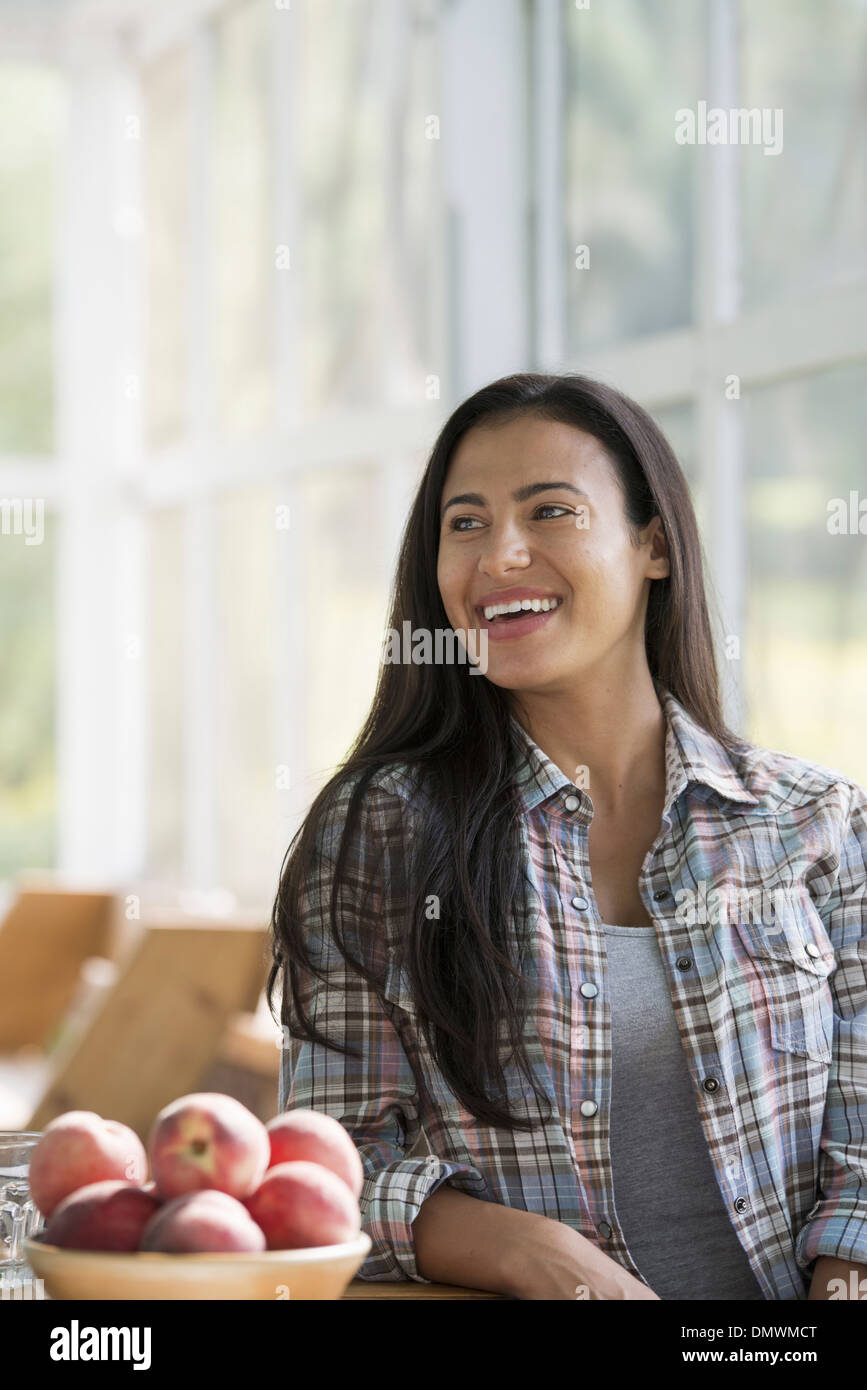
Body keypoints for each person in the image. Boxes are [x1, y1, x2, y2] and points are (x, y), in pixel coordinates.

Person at [267, 372, 867, 1300]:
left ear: (653, 545)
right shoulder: (378, 832)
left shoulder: (814, 823)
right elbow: (325, 1173)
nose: (499, 555)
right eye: (463, 524)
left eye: (549, 511)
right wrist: (530, 1252)